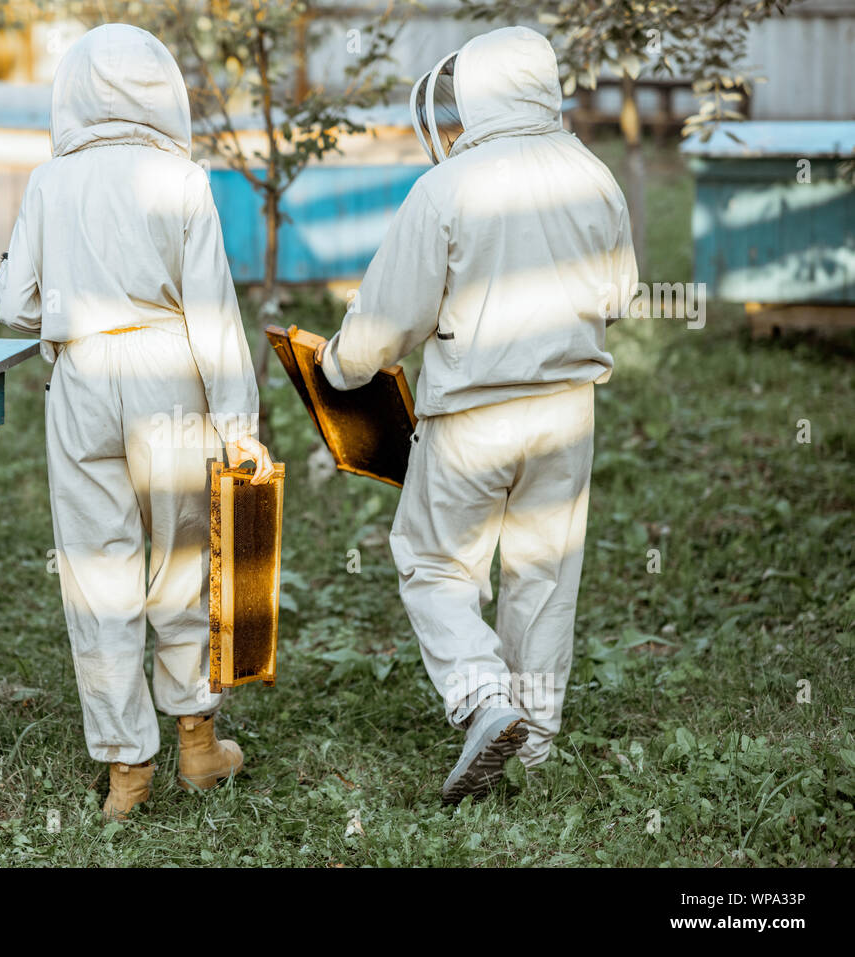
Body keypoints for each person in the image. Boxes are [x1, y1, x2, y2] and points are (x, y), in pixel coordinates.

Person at [316, 26, 638, 803]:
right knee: (545, 573)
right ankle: (535, 744)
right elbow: (620, 298)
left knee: (437, 565)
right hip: (566, 414)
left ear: (482, 92)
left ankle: (483, 699)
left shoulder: (448, 188)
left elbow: (389, 320)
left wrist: (336, 364)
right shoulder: (594, 176)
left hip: (470, 417)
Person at [0, 23, 275, 820]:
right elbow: (214, 311)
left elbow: (14, 303)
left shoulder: (50, 182)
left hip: (81, 375)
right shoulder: (182, 179)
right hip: (170, 374)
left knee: (97, 569)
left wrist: (75, 312)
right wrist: (237, 422)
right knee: (181, 556)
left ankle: (127, 773)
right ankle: (197, 742)